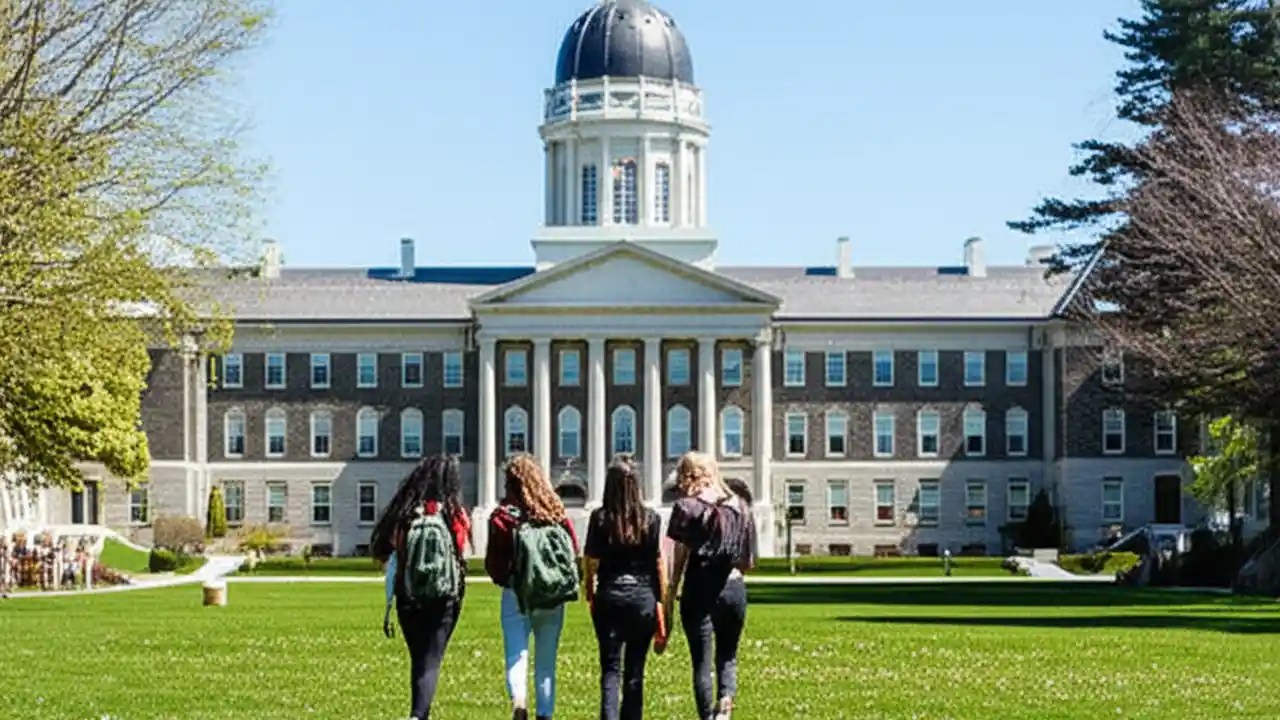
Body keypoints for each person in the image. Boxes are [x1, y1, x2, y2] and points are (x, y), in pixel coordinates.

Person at [371, 455, 472, 720]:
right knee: (431, 659)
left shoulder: (403, 513)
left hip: (409, 595)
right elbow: (461, 551)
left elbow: (383, 550)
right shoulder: (453, 513)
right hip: (444, 597)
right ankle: (418, 715)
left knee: (419, 658)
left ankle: (418, 713)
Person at [485, 453, 581, 720]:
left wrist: (509, 577)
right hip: (552, 595)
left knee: (517, 654)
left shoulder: (503, 518)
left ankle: (519, 701)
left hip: (517, 593)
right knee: (546, 661)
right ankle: (545, 713)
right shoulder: (555, 511)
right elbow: (572, 549)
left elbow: (494, 565)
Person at [664, 451, 758, 720]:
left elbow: (680, 555)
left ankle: (707, 716)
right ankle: (725, 705)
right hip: (733, 587)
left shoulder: (686, 507)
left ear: (686, 476)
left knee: (701, 664)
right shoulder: (740, 506)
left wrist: (672, 587)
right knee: (728, 656)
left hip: (699, 589)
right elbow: (748, 561)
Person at [583, 455, 668, 720]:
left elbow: (591, 561)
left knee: (610, 670)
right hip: (642, 597)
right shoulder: (650, 519)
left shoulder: (600, 518)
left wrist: (589, 588)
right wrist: (662, 601)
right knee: (635, 672)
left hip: (610, 596)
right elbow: (658, 563)